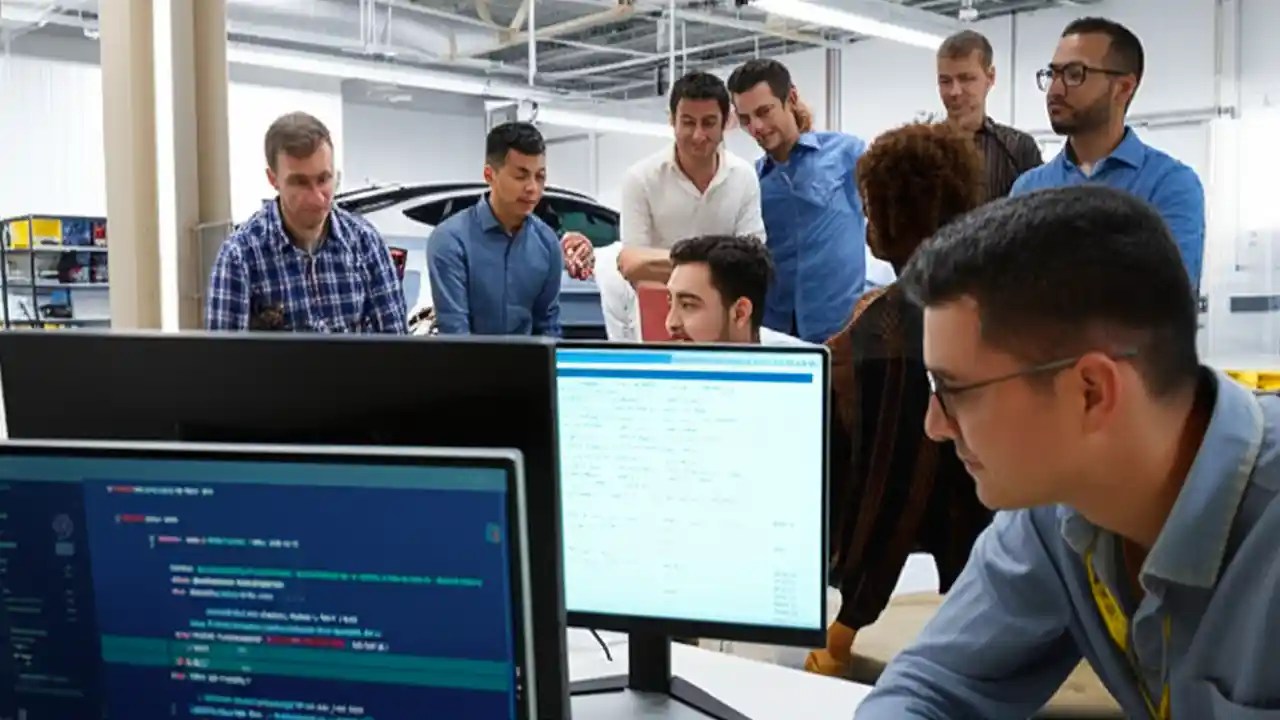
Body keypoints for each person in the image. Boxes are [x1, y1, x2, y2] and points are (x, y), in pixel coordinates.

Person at [854, 185, 1280, 719]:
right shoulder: (1057, 511)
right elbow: (928, 687)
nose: (934, 426)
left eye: (954, 392)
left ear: (1091, 392)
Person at [808, 123, 992, 678]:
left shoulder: (900, 327)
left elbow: (891, 489)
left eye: (870, 208)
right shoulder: (981, 285)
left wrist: (846, 629)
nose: (866, 226)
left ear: (893, 213)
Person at [1013, 17, 1205, 289]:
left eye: (1074, 74)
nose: (1055, 89)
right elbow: (1010, 297)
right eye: (1052, 74)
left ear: (1123, 88)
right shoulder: (1028, 189)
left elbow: (1168, 299)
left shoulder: (1169, 184)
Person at [206, 111, 407, 333]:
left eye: (324, 179)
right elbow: (224, 362)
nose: (317, 197)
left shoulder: (365, 243)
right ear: (273, 179)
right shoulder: (240, 257)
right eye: (300, 183)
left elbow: (396, 350)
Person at [727, 59, 868, 344]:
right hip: (776, 336)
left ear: (790, 98)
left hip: (843, 333)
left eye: (764, 112)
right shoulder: (750, 181)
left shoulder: (847, 154)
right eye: (745, 119)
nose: (756, 127)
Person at [427, 122, 563, 337]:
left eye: (540, 177)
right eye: (521, 176)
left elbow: (548, 328)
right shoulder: (450, 240)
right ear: (489, 175)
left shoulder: (548, 244)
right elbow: (455, 332)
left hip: (529, 368)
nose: (532, 188)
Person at [936, 30, 1043, 201]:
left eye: (966, 79)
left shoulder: (1018, 149)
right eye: (945, 81)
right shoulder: (920, 150)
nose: (954, 92)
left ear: (990, 77)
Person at [665, 234, 805, 345]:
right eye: (670, 304)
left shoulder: (806, 368)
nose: (671, 323)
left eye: (687, 305)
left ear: (740, 313)